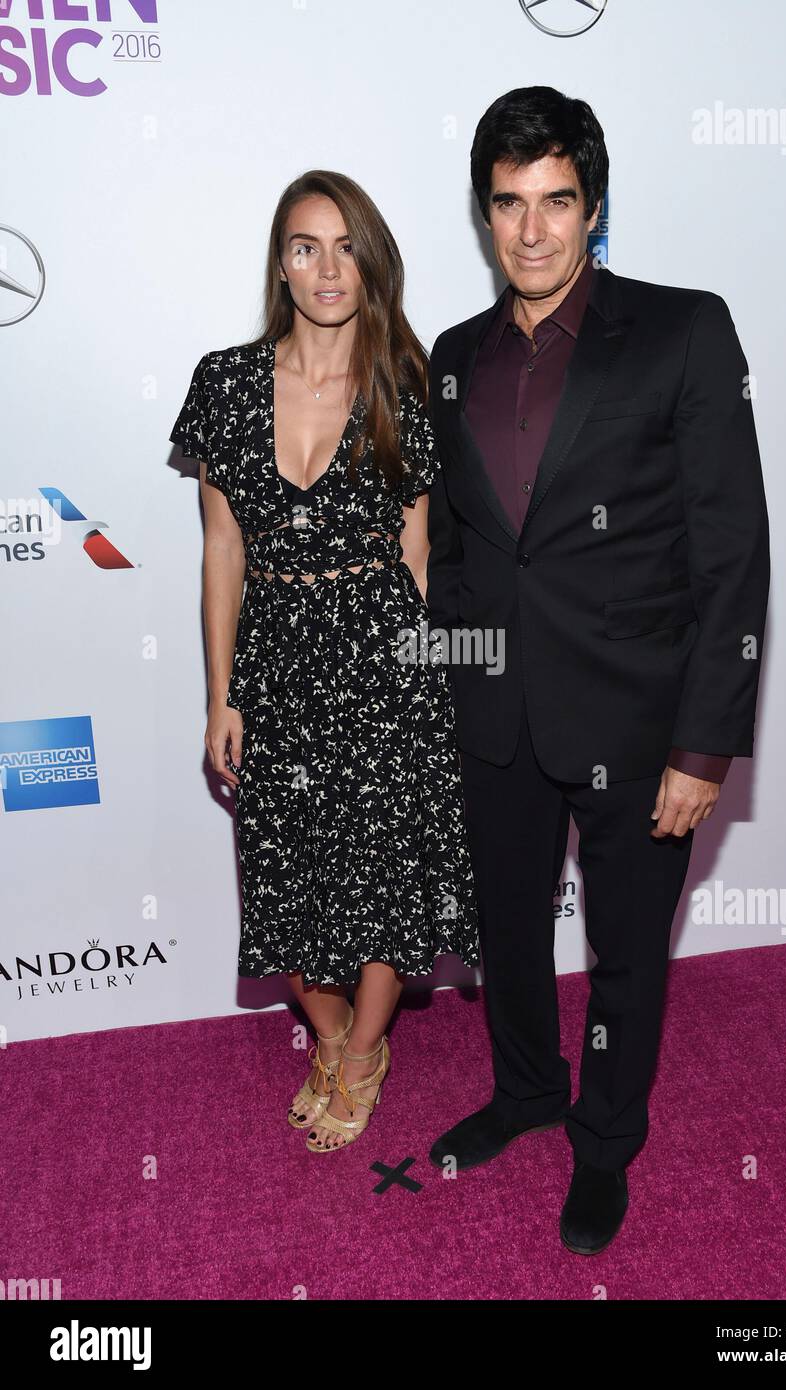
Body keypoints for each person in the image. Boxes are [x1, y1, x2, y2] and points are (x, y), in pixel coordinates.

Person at [426, 88, 770, 1253]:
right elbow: (462, 558)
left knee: (623, 955)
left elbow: (731, 552)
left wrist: (702, 747)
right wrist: (451, 686)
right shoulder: (453, 357)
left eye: (556, 201)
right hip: (495, 718)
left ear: (592, 206)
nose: (531, 231)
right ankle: (526, 1090)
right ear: (483, 213)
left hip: (636, 719)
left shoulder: (683, 331)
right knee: (507, 931)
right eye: (507, 204)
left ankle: (604, 1139)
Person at [169, 169, 481, 1153]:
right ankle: (333, 1034)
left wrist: (430, 687)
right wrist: (221, 695)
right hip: (273, 661)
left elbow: (418, 555)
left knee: (383, 876)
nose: (328, 268)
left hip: (384, 661)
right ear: (281, 265)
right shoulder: (225, 383)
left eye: (347, 247)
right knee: (284, 872)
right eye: (306, 247)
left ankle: (363, 1053)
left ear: (371, 263)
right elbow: (222, 549)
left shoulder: (405, 385)